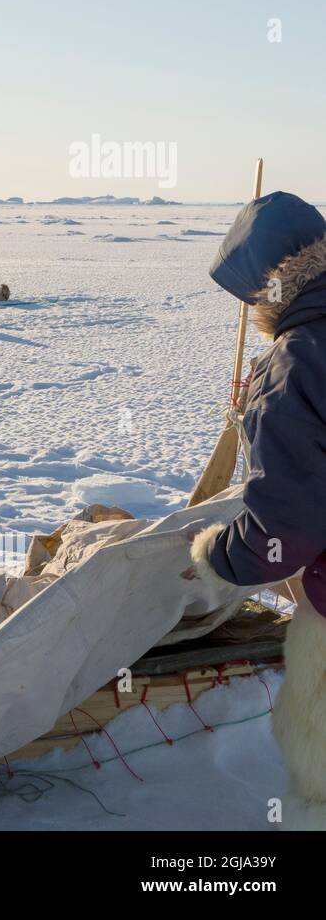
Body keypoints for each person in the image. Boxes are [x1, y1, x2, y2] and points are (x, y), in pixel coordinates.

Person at [187, 190, 326, 830]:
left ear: (269, 287)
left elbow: (286, 529)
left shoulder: (298, 360)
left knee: (318, 768)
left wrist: (218, 555)